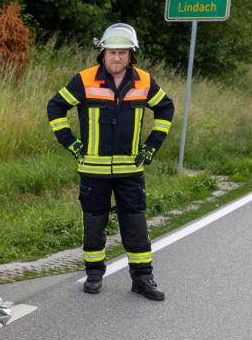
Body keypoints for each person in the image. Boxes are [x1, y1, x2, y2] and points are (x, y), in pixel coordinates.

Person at [46, 23, 174, 300]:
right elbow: (55, 106)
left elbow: (166, 108)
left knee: (136, 226)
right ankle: (94, 274)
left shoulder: (144, 81)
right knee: (94, 225)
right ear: (103, 53)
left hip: (131, 171)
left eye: (123, 53)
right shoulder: (84, 80)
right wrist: (70, 142)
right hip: (93, 171)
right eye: (112, 52)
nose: (117, 57)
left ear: (131, 55)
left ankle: (142, 278)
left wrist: (153, 145)